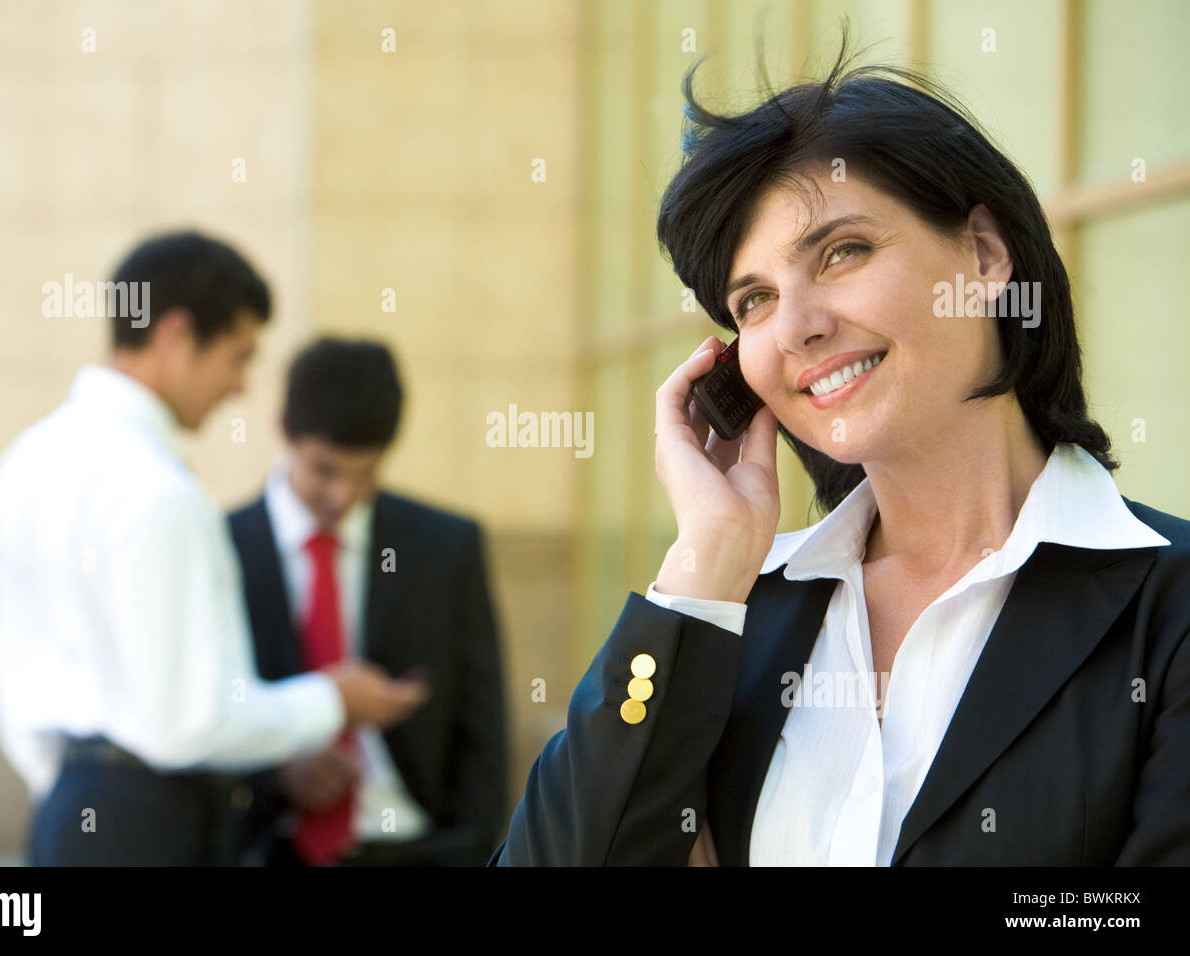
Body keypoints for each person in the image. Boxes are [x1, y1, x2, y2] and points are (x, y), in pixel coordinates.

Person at [489, 44, 1190, 866]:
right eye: (754, 300)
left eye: (842, 252)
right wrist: (705, 564)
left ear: (986, 256)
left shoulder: (1167, 611)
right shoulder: (734, 620)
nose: (797, 329)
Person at [0, 232, 429, 866]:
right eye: (237, 356)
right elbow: (183, 725)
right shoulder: (157, 491)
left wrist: (76, 787)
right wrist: (334, 700)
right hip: (148, 823)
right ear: (175, 335)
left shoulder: (28, 461)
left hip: (68, 812)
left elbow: (14, 677)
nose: (241, 386)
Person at [228, 337, 508, 866]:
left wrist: (475, 848)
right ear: (283, 428)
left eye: (365, 474)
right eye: (325, 471)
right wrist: (276, 772)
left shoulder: (446, 547)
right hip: (269, 848)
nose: (344, 497)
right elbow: (201, 711)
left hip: (418, 847)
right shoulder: (223, 548)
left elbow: (483, 729)